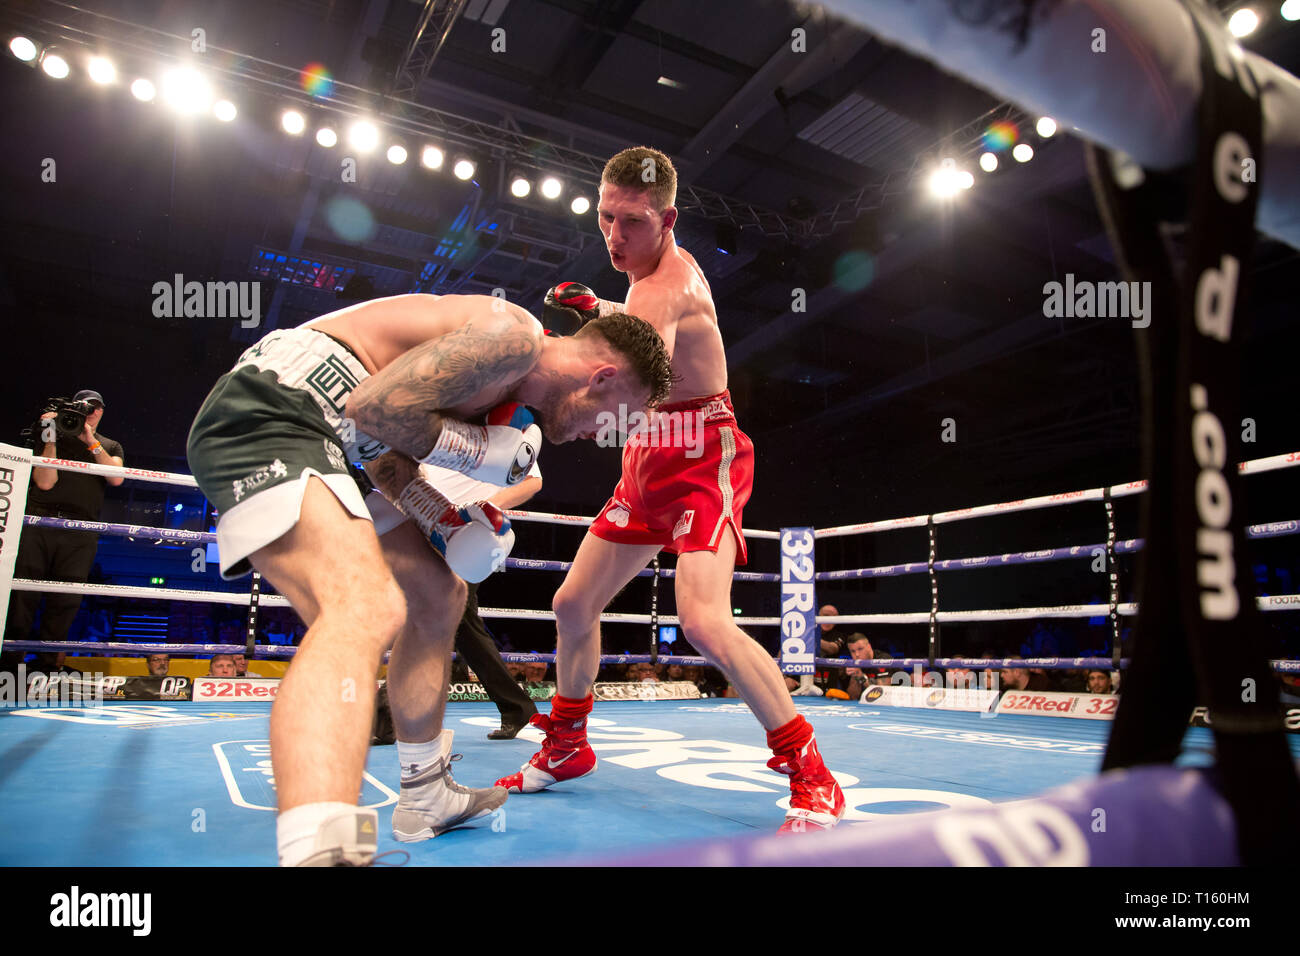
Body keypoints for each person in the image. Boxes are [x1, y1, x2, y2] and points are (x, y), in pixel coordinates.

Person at [186, 292, 672, 865]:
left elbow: (384, 458)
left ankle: (424, 795)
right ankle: (324, 848)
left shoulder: (502, 394)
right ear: (603, 377)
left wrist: (443, 520)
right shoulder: (513, 337)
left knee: (442, 594)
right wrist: (476, 453)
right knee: (365, 606)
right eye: (622, 414)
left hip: (341, 444)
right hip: (279, 407)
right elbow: (372, 408)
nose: (605, 434)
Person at [496, 147, 845, 833]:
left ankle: (812, 771)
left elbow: (616, 377)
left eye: (631, 223)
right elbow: (640, 349)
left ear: (669, 219)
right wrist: (598, 306)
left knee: (703, 620)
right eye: (604, 218)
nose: (614, 237)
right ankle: (568, 744)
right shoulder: (643, 280)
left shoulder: (668, 290)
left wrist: (524, 387)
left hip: (700, 458)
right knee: (572, 603)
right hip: (650, 452)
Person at [5, 390, 124, 650]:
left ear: (102, 411)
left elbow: (116, 478)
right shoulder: (52, 436)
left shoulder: (109, 445)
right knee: (23, 596)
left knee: (66, 601)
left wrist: (90, 440)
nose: (90, 412)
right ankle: (10, 664)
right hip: (40, 523)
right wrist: (50, 438)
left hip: (81, 531)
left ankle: (47, 666)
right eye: (84, 407)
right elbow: (45, 483)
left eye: (95, 407)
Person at [435, 462, 544, 739]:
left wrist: (484, 507)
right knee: (458, 623)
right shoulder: (428, 428)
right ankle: (517, 708)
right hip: (428, 529)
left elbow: (532, 480)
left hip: (475, 535)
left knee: (436, 615)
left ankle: (386, 716)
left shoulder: (505, 425)